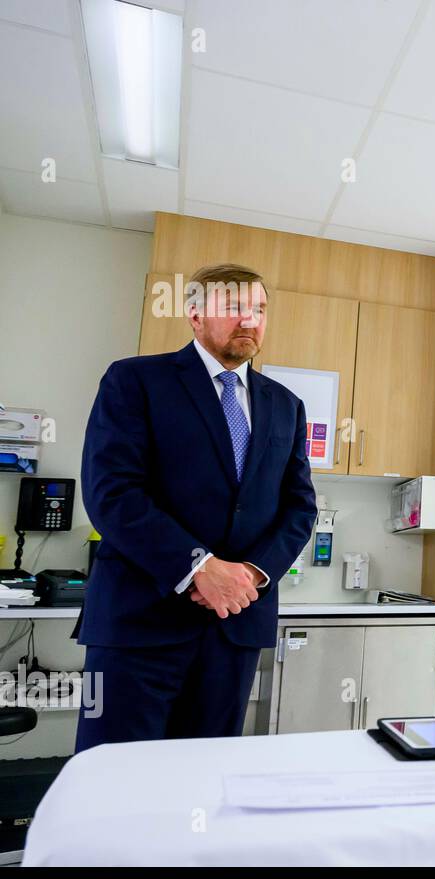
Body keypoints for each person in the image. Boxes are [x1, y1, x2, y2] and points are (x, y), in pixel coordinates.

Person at [74, 263, 316, 751]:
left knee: (204, 785)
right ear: (193, 314)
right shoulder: (135, 381)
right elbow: (112, 492)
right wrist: (198, 567)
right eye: (234, 307)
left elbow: (299, 508)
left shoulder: (286, 405)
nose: (250, 321)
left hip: (234, 629)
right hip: (140, 625)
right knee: (116, 784)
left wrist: (250, 573)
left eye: (260, 310)